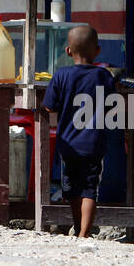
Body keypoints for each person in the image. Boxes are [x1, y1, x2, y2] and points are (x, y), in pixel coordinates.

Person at [42, 24, 113, 238]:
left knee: (72, 188)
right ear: (97, 51)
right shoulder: (104, 76)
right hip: (94, 143)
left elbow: (49, 106)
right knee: (90, 188)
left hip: (68, 143)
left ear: (68, 51)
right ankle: (84, 232)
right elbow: (112, 104)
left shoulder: (61, 75)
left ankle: (76, 227)